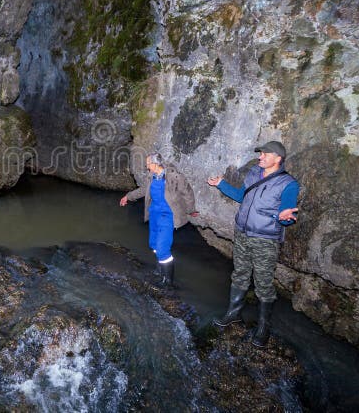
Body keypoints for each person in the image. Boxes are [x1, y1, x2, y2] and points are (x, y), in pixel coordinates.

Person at [206, 140, 300, 347]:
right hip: (242, 233)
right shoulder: (253, 174)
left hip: (265, 239)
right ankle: (233, 313)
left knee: (263, 283)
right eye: (261, 154)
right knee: (239, 273)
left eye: (265, 154)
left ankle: (263, 326)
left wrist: (284, 217)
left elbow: (286, 212)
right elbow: (241, 196)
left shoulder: (288, 184)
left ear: (278, 158)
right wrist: (221, 184)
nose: (260, 157)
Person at [120, 153, 198, 287]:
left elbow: (188, 193)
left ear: (155, 164)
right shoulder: (151, 176)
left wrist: (191, 210)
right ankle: (159, 271)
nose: (146, 166)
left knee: (162, 248)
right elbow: (144, 190)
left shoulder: (174, 176)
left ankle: (168, 282)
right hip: (154, 214)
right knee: (154, 244)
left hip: (167, 216)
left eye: (148, 164)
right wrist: (128, 196)